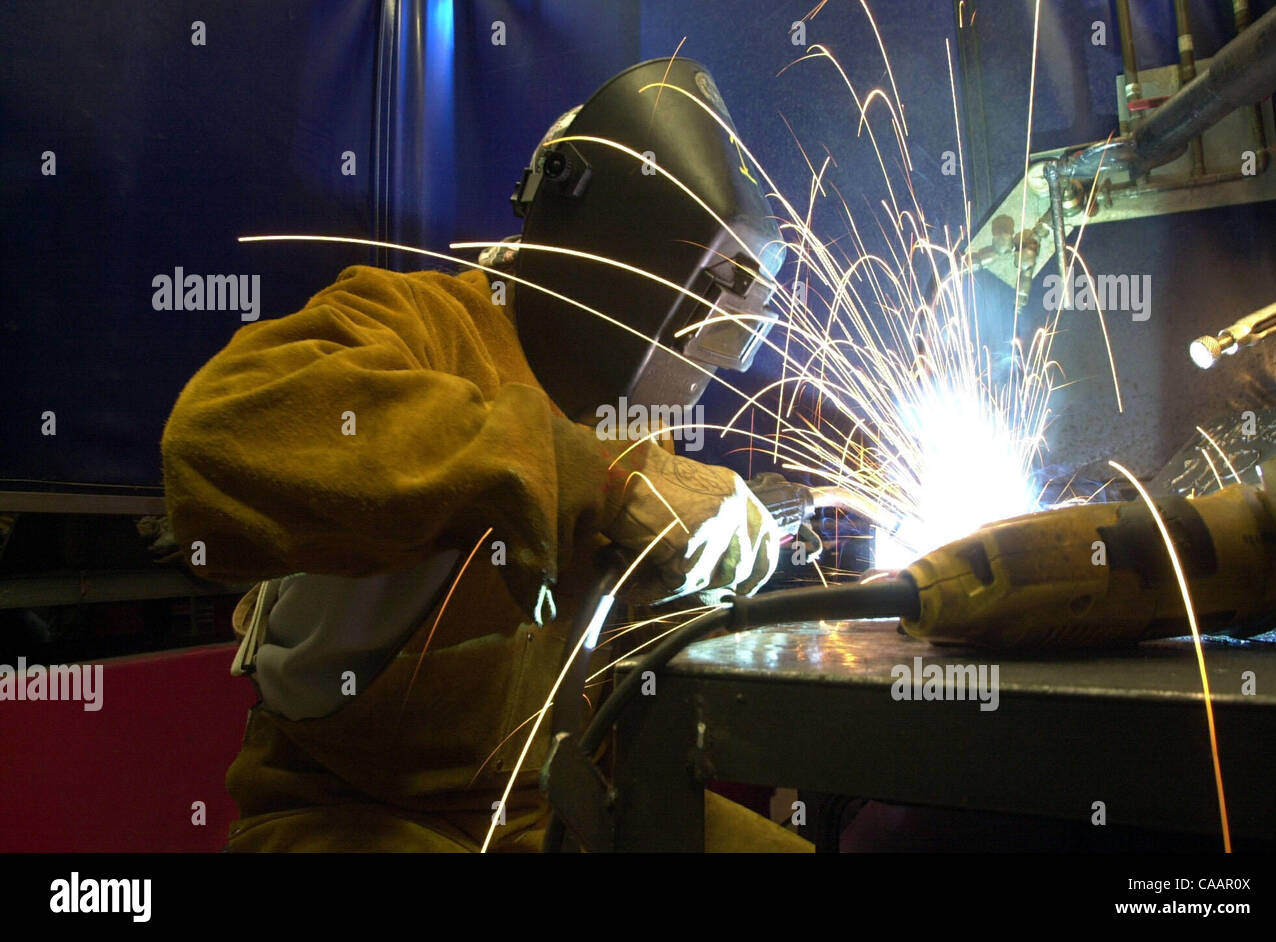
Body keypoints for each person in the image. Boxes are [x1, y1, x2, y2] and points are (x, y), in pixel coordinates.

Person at [161, 58, 811, 852]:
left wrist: (700, 571)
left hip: (557, 807)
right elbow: (218, 434)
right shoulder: (415, 323)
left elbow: (606, 613)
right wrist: (607, 483)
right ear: (616, 244)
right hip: (354, 812)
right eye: (703, 292)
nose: (714, 364)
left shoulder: (634, 408)